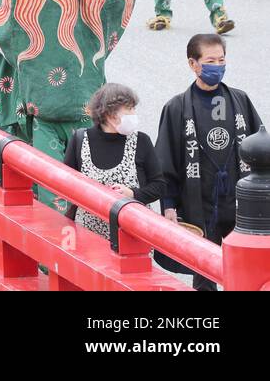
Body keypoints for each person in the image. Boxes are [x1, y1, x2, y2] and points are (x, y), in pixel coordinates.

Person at [155, 34, 264, 289]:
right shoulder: (177, 107)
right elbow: (166, 161)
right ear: (193, 64)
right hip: (199, 203)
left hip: (239, 200)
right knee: (205, 273)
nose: (218, 66)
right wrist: (169, 206)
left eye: (221, 60)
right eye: (210, 61)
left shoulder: (240, 100)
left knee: (246, 270)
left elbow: (261, 150)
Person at [63, 84, 166, 239]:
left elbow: (159, 186)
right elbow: (66, 183)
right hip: (87, 235)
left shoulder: (141, 141)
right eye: (129, 109)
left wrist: (133, 193)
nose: (134, 114)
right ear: (110, 115)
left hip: (131, 234)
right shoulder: (80, 140)